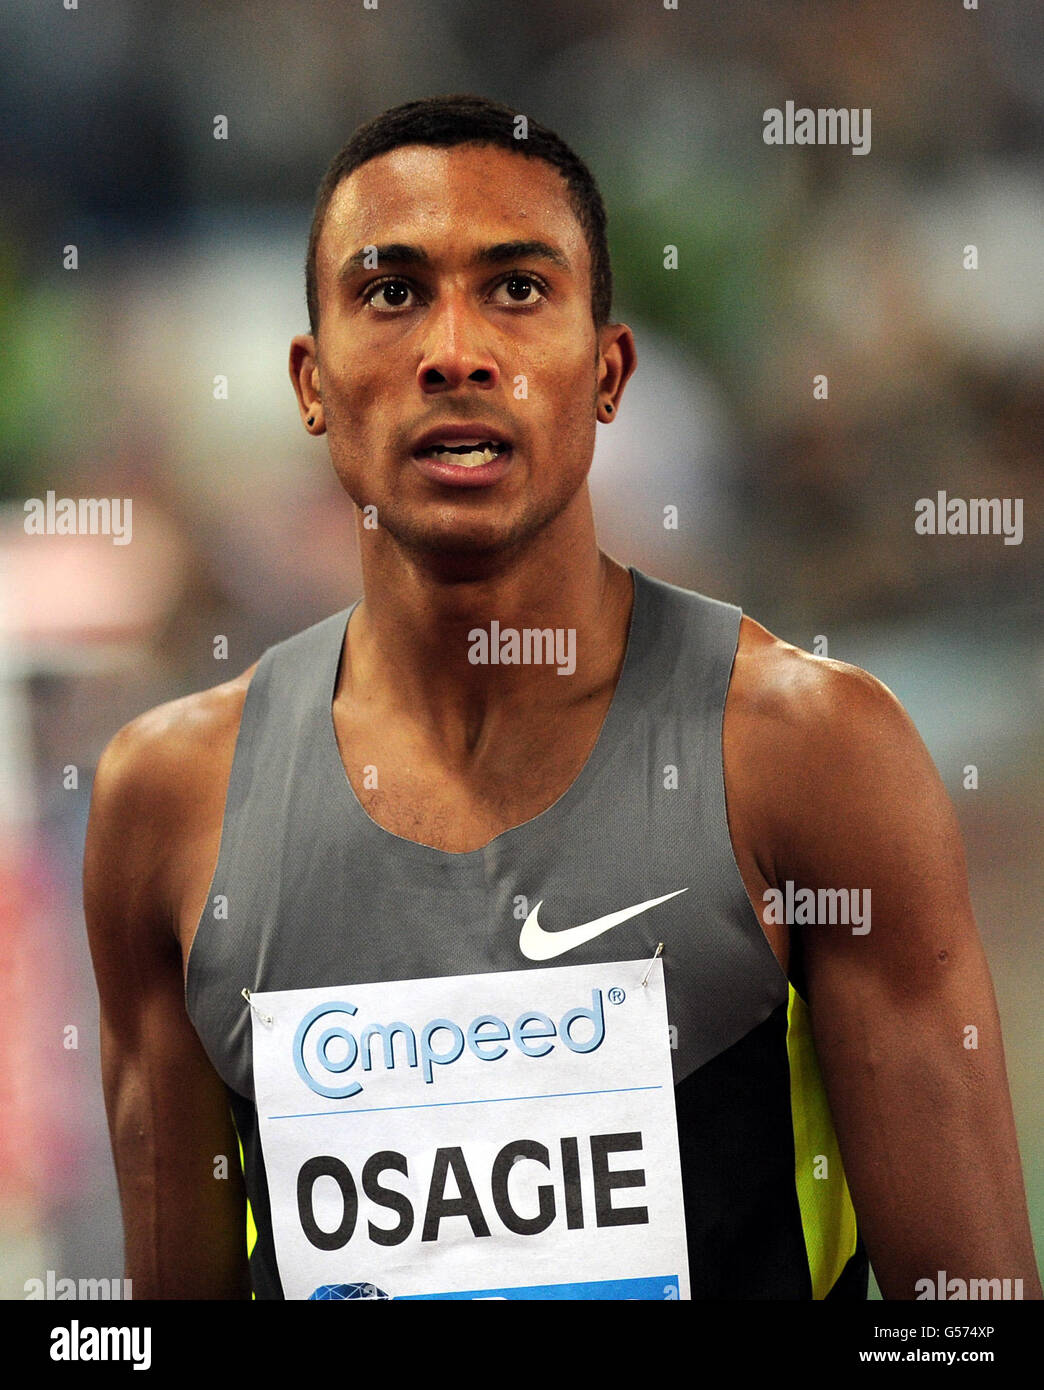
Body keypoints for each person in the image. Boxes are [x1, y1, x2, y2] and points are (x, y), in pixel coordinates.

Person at [84, 94, 1040, 1301]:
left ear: (608, 369)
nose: (455, 350)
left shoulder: (810, 754)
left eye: (518, 289)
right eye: (391, 291)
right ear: (310, 382)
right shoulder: (168, 802)